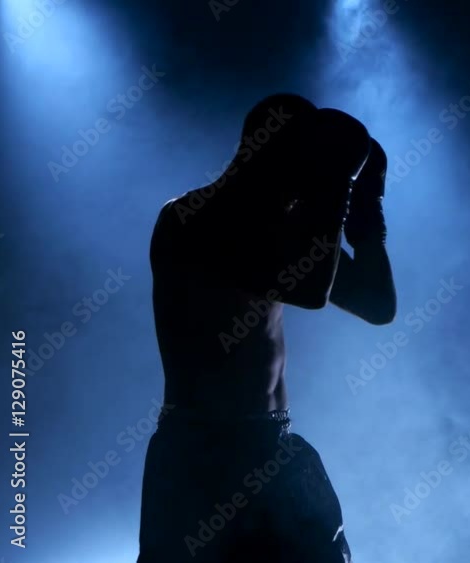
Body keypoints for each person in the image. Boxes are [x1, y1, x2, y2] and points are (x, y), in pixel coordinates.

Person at [138, 93, 396, 562]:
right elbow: (310, 290)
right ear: (275, 156)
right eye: (309, 166)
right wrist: (339, 184)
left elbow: (377, 305)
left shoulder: (279, 227)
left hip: (271, 442)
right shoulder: (191, 219)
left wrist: (366, 213)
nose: (310, 184)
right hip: (201, 450)